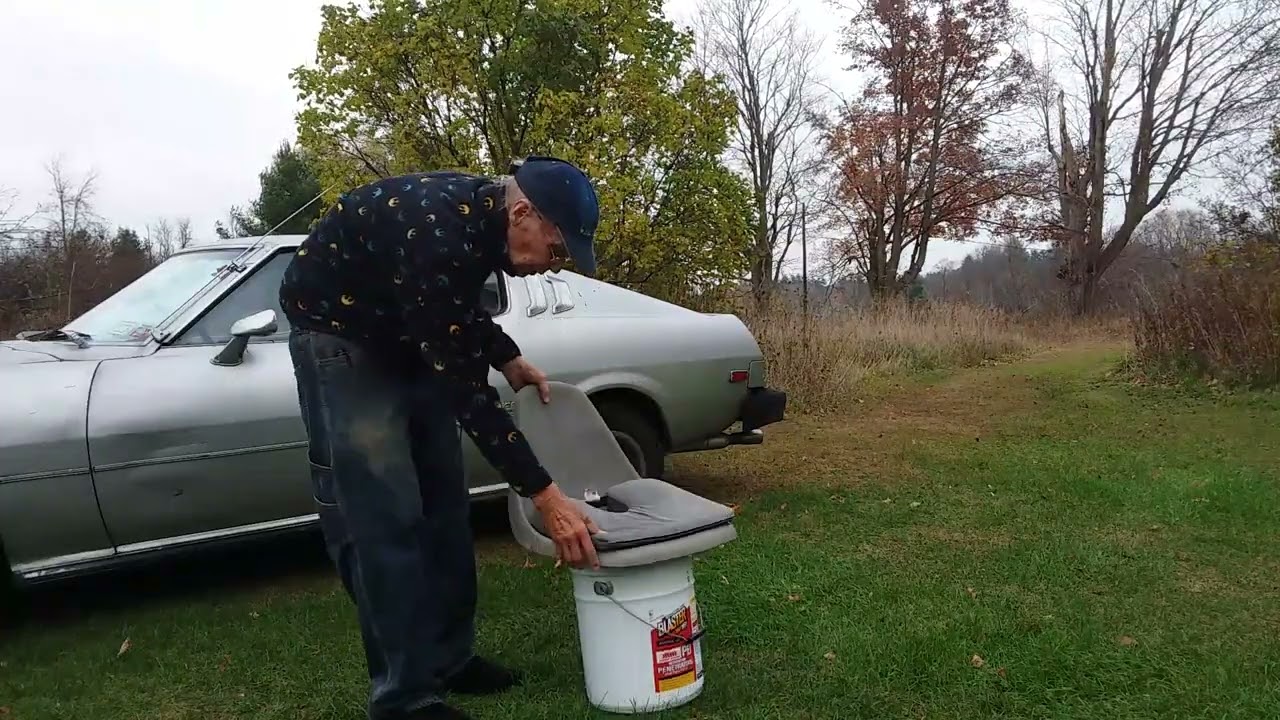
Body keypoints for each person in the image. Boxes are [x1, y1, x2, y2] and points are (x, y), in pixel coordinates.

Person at [278, 156, 605, 720]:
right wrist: (546, 497)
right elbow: (467, 395)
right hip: (340, 338)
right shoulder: (435, 229)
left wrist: (508, 357)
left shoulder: (482, 229)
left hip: (404, 332)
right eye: (556, 249)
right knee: (384, 515)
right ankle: (405, 697)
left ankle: (452, 660)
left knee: (444, 506)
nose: (553, 265)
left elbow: (454, 312)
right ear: (523, 212)